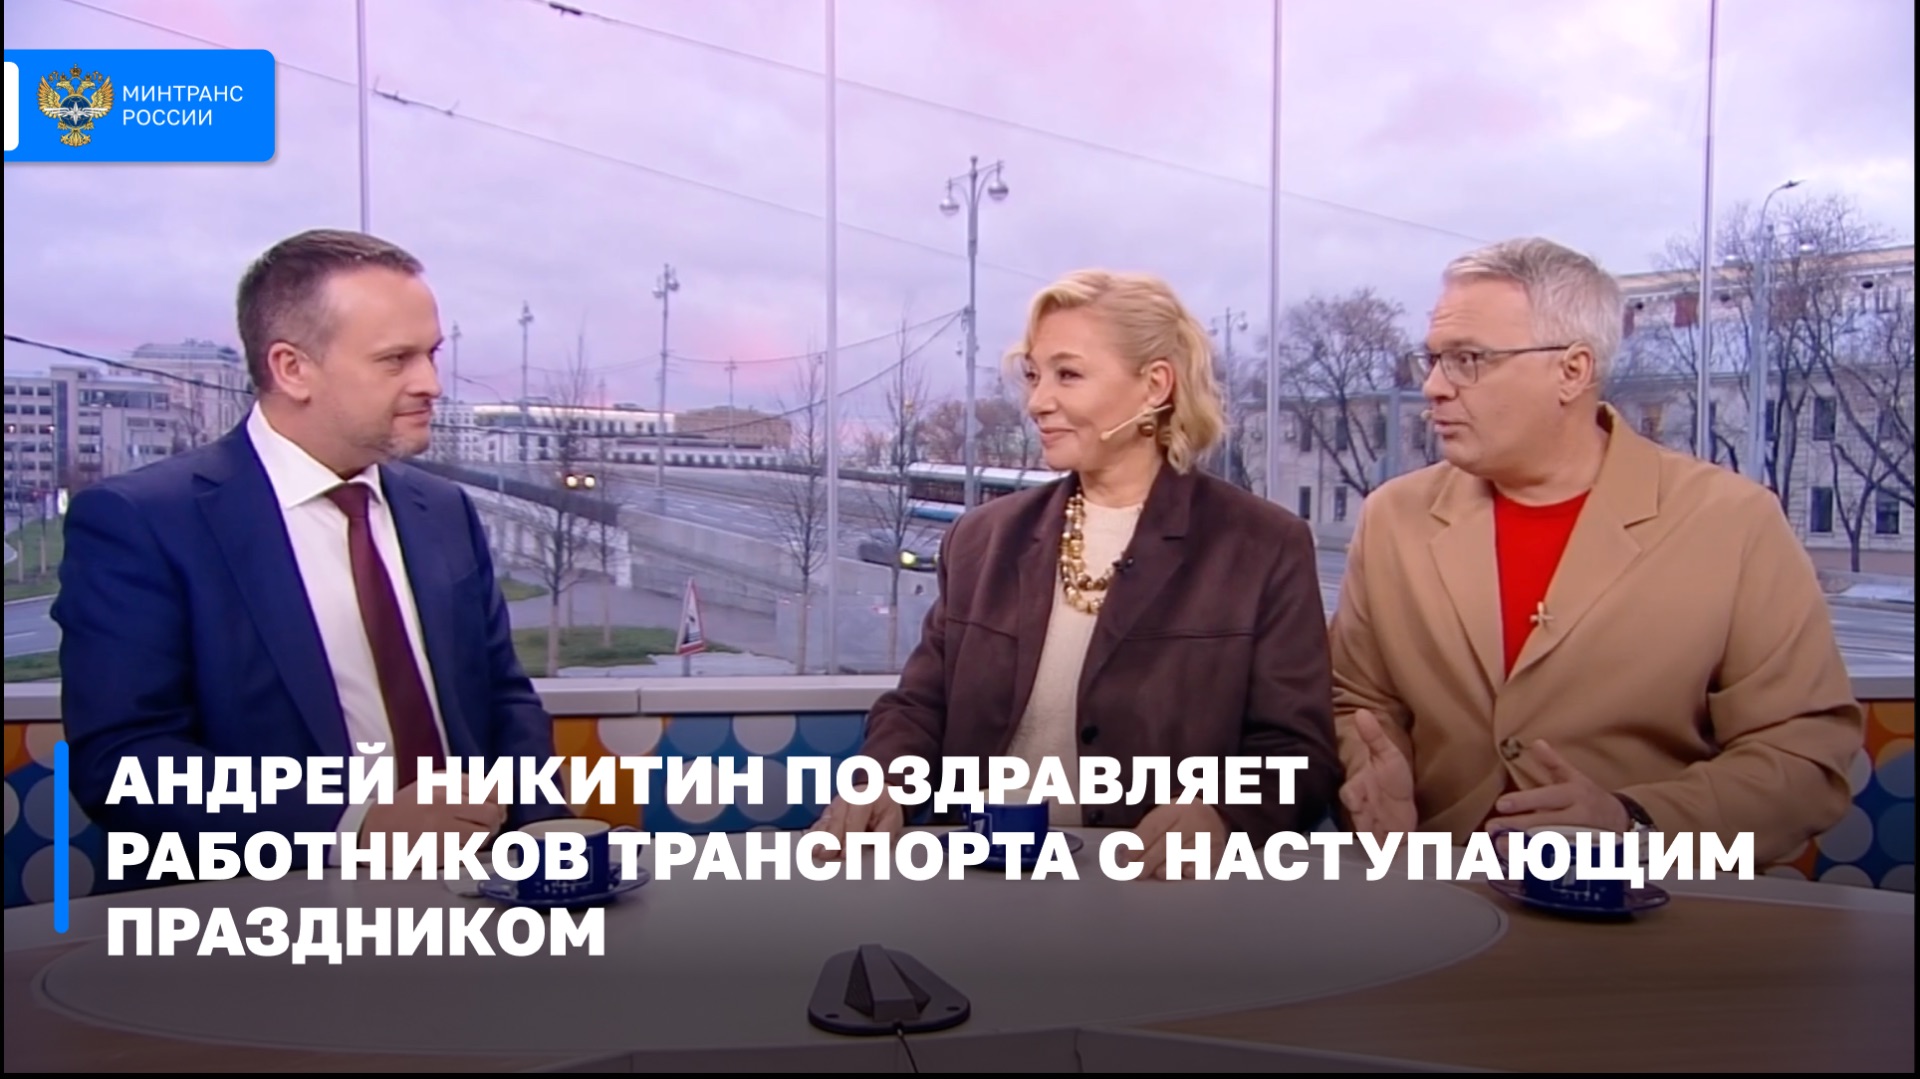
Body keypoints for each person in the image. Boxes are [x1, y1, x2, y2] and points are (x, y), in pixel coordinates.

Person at [1332, 237, 1862, 865]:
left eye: (1467, 359)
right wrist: (1375, 778)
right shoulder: (1394, 519)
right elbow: (1357, 701)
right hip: (1442, 892)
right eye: (1434, 358)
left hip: (1655, 901)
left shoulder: (1733, 522)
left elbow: (1802, 754)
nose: (1434, 386)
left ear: (1573, 371)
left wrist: (1632, 823)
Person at [55, 228, 564, 861]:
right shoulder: (144, 522)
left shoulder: (444, 511)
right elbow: (123, 762)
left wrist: (542, 834)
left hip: (481, 892)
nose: (431, 382)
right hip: (261, 906)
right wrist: (356, 826)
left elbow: (502, 698)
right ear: (292, 368)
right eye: (395, 360)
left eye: (431, 354)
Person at [813, 269, 1338, 877]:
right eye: (1034, 376)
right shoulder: (981, 540)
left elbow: (1299, 754)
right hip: (982, 885)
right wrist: (884, 781)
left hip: (1154, 892)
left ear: (1155, 386)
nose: (1037, 402)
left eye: (1068, 375)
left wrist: (1224, 816)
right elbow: (920, 707)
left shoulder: (1261, 546)